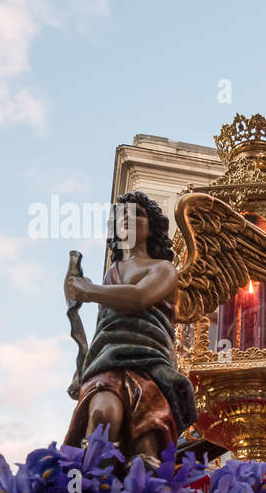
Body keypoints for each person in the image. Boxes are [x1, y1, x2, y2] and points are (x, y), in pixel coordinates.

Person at [63, 192, 197, 462]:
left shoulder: (163, 269)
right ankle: (94, 486)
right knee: (102, 415)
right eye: (120, 215)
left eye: (138, 213)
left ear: (152, 228)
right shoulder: (110, 274)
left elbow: (139, 298)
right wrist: (83, 369)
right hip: (107, 363)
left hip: (148, 366)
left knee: (146, 440)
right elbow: (105, 326)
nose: (127, 218)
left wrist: (88, 291)